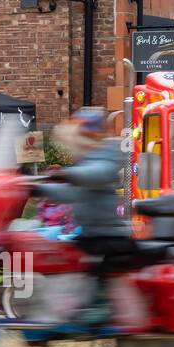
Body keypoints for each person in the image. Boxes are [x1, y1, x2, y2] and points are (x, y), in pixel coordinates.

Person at [38, 108, 133, 324]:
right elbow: (73, 193)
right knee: (67, 258)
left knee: (96, 266)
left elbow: (99, 175)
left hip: (109, 234)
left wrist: (67, 174)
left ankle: (101, 306)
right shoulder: (86, 161)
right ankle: (66, 306)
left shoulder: (108, 153)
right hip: (90, 233)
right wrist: (40, 190)